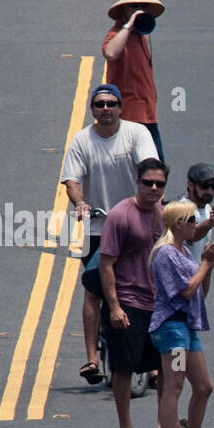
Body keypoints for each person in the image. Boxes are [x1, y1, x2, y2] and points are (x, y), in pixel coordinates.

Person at [61, 84, 158, 385]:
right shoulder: (82, 140)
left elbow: (149, 168)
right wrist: (80, 203)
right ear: (92, 109)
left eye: (111, 104)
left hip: (136, 226)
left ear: (121, 107)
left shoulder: (136, 134)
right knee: (94, 291)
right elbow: (72, 181)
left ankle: (151, 362)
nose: (106, 109)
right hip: (98, 228)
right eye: (100, 104)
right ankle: (92, 359)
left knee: (147, 290)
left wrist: (150, 200)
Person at [99, 157, 167, 428]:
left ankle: (167, 423)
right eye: (148, 182)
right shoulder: (120, 215)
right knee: (124, 367)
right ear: (137, 182)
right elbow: (105, 264)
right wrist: (114, 307)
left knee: (165, 366)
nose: (153, 188)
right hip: (128, 299)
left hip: (157, 302)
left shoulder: (162, 213)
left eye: (159, 184)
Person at [149, 201, 214, 428]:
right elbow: (186, 292)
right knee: (174, 385)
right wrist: (206, 263)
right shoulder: (166, 254)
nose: (196, 224)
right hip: (172, 329)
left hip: (187, 328)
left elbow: (200, 291)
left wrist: (208, 267)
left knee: (204, 387)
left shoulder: (185, 253)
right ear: (178, 223)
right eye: (192, 220)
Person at [102, 0, 165, 158]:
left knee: (155, 170)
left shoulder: (142, 34)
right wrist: (128, 25)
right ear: (125, 10)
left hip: (148, 114)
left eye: (144, 6)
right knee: (137, 170)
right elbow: (110, 52)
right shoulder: (118, 32)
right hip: (130, 117)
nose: (140, 10)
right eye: (134, 6)